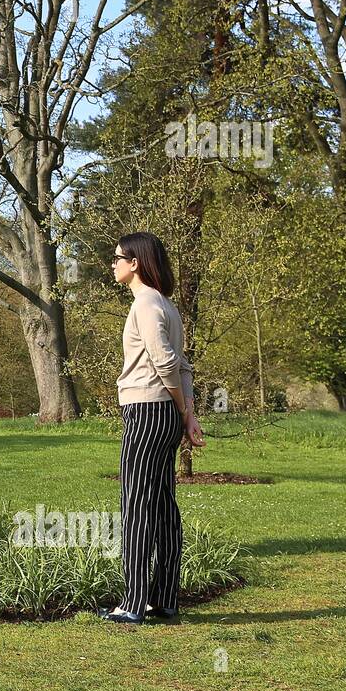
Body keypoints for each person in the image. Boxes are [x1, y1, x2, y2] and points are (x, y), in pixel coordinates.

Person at [100, 231, 205, 624]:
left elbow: (165, 363)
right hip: (164, 415)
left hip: (146, 411)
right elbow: (184, 366)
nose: (113, 264)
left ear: (135, 263)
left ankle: (134, 605)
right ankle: (164, 601)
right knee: (161, 506)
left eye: (117, 258)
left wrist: (182, 410)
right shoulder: (167, 305)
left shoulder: (145, 303)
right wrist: (187, 415)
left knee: (136, 507)